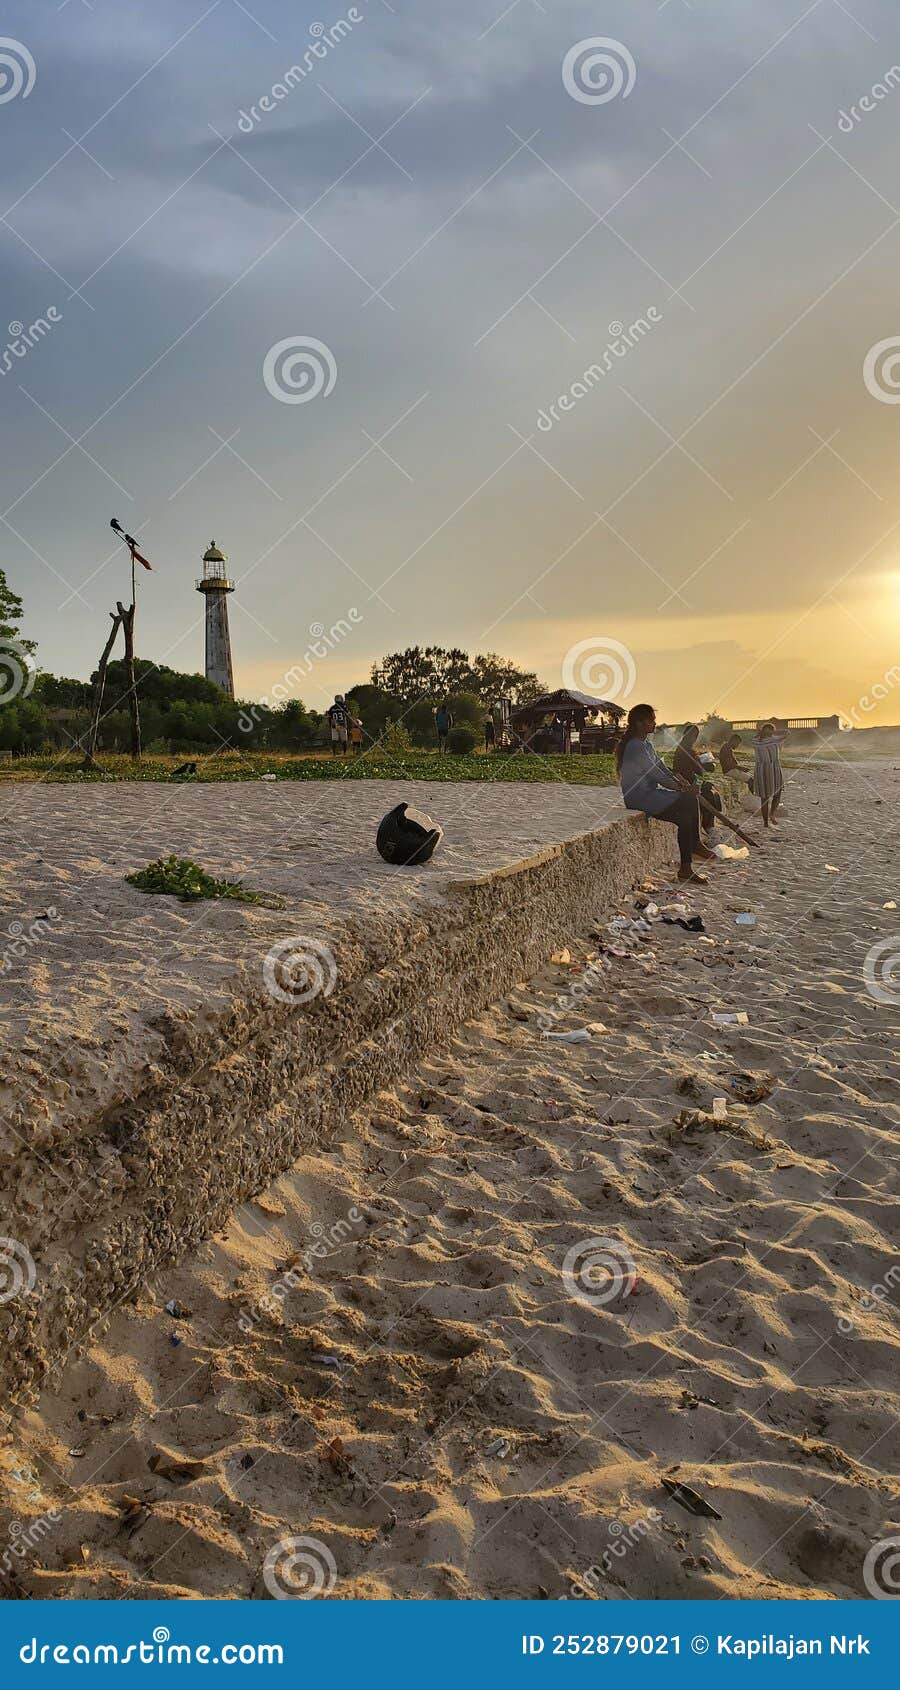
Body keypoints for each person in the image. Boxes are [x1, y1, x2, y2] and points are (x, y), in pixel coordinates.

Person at [616, 703, 713, 884]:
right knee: (689, 799)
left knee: (685, 819)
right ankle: (696, 844)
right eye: (651, 720)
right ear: (639, 723)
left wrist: (680, 780)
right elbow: (655, 773)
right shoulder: (636, 746)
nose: (655, 723)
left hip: (651, 794)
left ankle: (686, 868)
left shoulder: (646, 744)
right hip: (639, 797)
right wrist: (682, 788)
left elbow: (661, 767)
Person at [673, 723, 721, 834]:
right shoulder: (685, 749)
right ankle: (708, 826)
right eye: (693, 736)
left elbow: (696, 766)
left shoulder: (685, 747)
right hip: (688, 780)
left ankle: (709, 825)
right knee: (709, 793)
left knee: (711, 789)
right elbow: (697, 769)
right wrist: (706, 767)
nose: (694, 738)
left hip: (690, 777)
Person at [754, 721, 786, 826]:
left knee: (764, 797)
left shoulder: (755, 740)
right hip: (773, 768)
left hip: (760, 769)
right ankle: (772, 814)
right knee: (777, 792)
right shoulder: (773, 739)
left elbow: (758, 737)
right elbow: (787, 734)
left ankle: (765, 822)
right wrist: (777, 731)